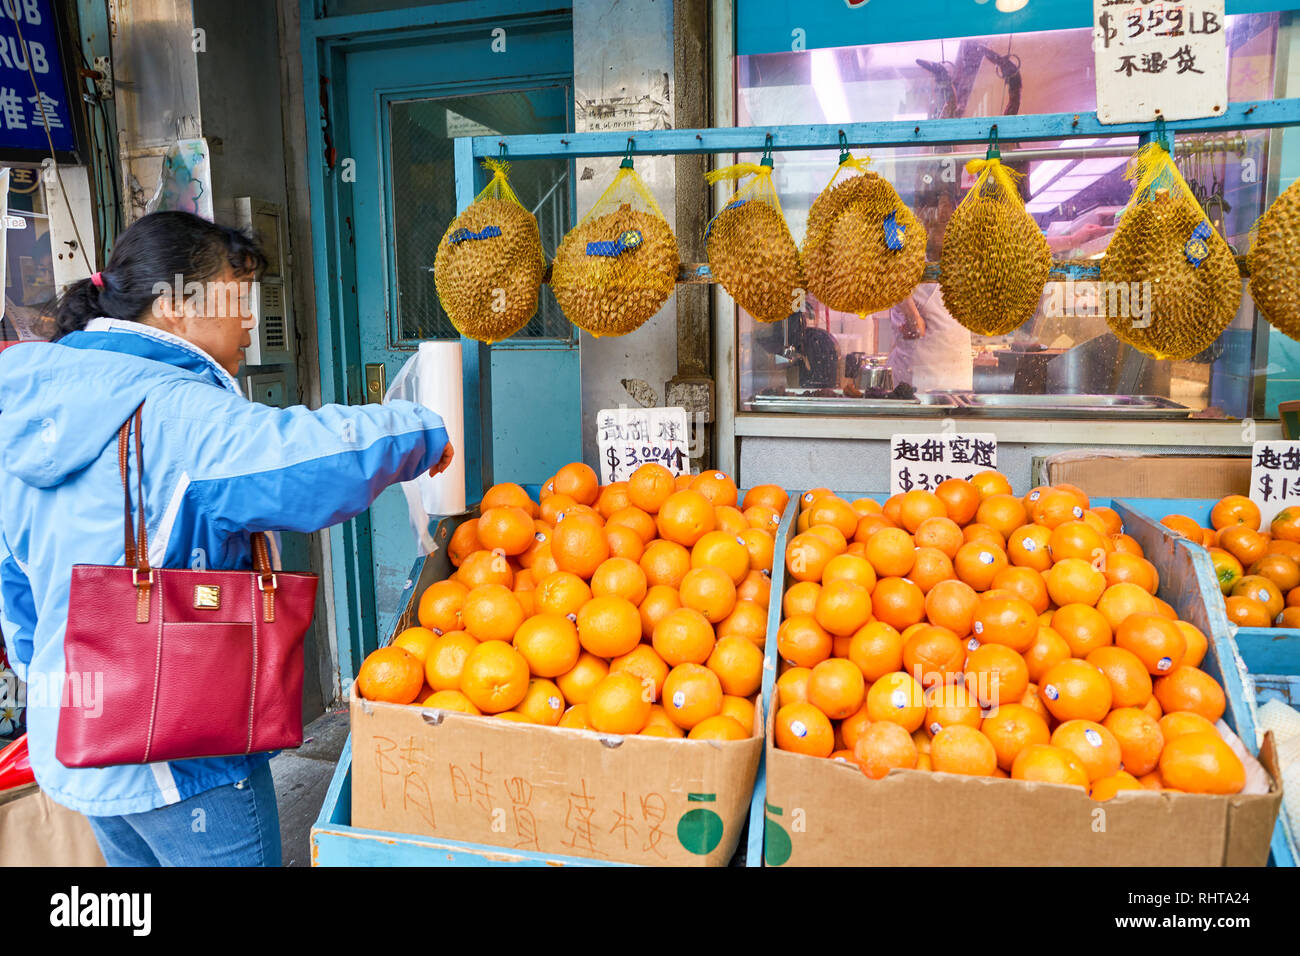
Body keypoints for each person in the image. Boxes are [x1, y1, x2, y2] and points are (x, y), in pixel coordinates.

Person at [0, 211, 454, 867]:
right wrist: (422, 430)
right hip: (176, 755)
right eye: (238, 297)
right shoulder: (175, 410)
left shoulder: (30, 405)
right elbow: (302, 463)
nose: (248, 321)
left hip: (77, 739)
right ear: (177, 304)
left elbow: (15, 594)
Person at [889, 179, 1109, 392]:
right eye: (940, 213)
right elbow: (888, 261)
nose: (946, 218)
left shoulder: (961, 251)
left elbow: (1016, 245)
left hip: (957, 374)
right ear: (925, 214)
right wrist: (911, 316)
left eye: (950, 214)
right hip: (918, 372)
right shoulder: (904, 238)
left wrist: (1073, 240)